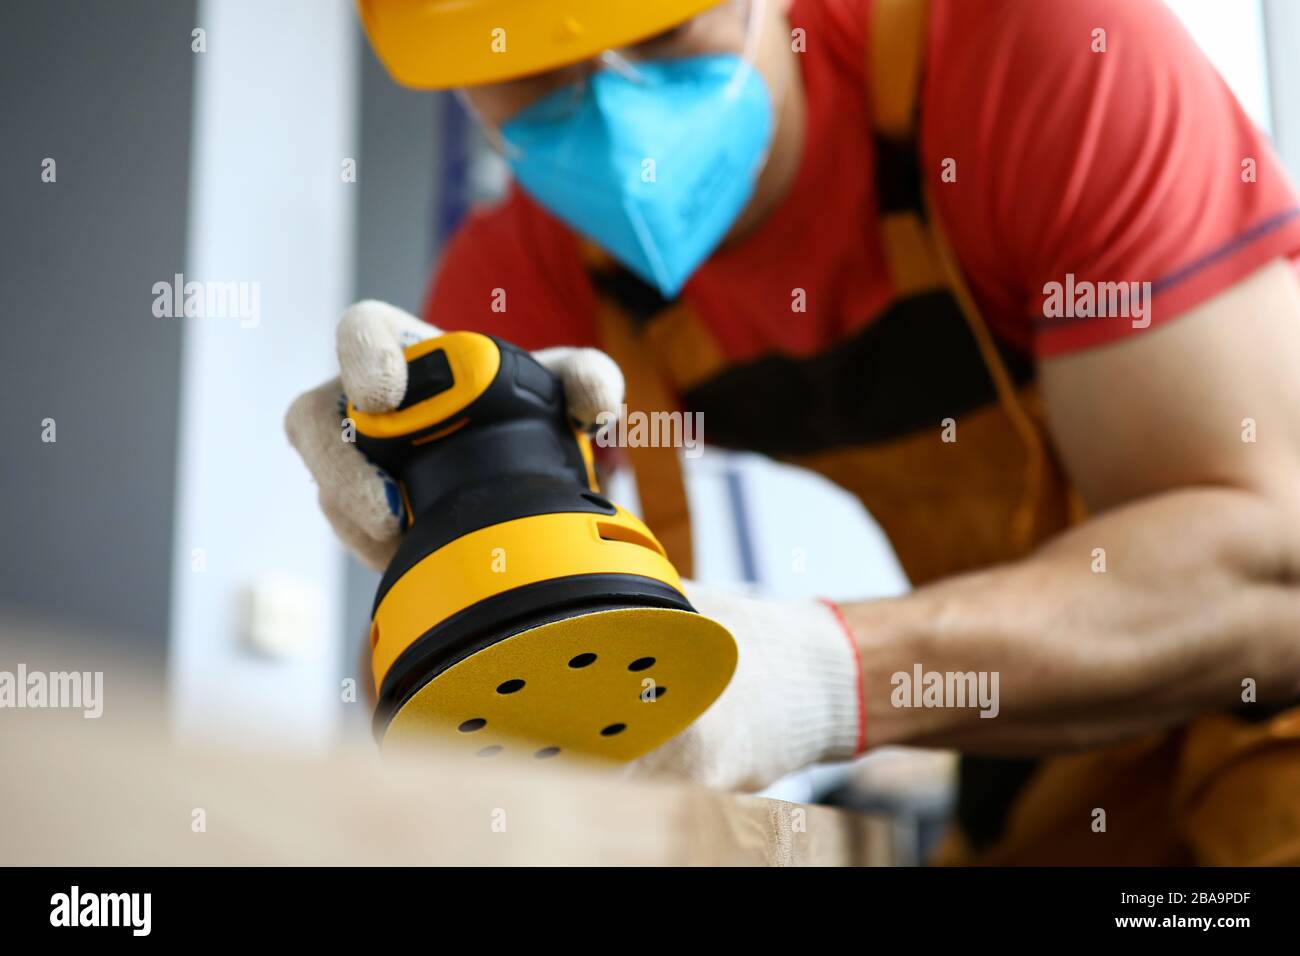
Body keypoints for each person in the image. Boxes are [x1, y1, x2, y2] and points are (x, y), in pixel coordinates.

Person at [287, 0, 1300, 864]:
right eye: (520, 63)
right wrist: (437, 514)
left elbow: (1267, 570)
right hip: (1048, 734)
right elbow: (456, 719)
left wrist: (812, 673)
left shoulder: (1037, 58)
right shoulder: (528, 274)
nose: (606, 103)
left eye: (663, 31)